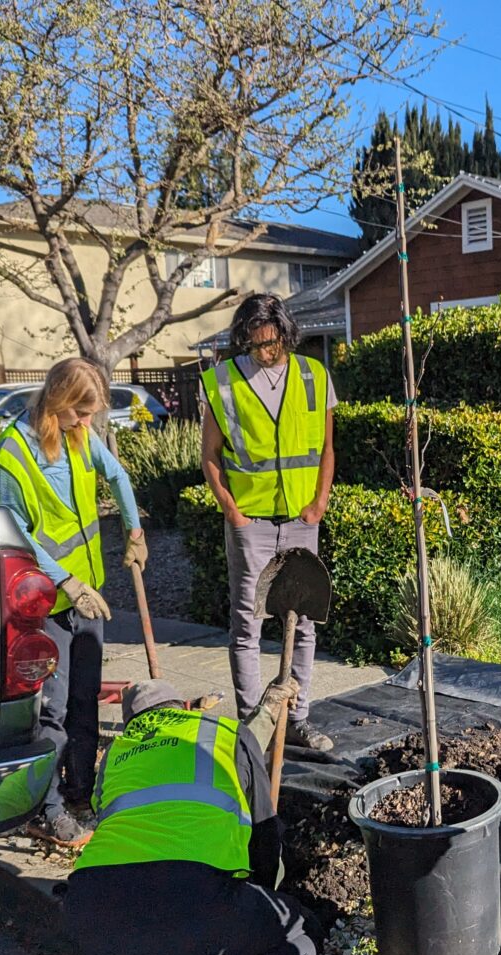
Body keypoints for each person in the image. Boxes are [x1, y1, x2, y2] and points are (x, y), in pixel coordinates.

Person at [29, 674, 322, 955]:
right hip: (195, 906)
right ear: (185, 708)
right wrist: (256, 899)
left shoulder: (117, 753)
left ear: (133, 721)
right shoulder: (223, 732)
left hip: (90, 909)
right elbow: (264, 833)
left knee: (117, 941)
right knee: (304, 928)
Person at [0, 358, 148, 848]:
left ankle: (80, 793)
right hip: (46, 600)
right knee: (54, 712)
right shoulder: (14, 455)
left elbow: (118, 476)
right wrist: (68, 582)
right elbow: (16, 532)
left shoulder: (80, 437)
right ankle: (47, 806)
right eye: (79, 412)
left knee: (85, 702)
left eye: (90, 414)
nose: (86, 422)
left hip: (89, 598)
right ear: (57, 401)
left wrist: (134, 529)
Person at [200, 294, 337, 751]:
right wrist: (230, 509)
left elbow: (326, 448)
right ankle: (252, 727)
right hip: (251, 522)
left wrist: (320, 502)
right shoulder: (221, 382)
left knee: (303, 623)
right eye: (256, 345)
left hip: (301, 519)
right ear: (244, 339)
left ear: (285, 333)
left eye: (272, 343)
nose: (265, 353)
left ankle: (296, 719)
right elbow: (210, 456)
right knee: (247, 625)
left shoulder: (314, 376)